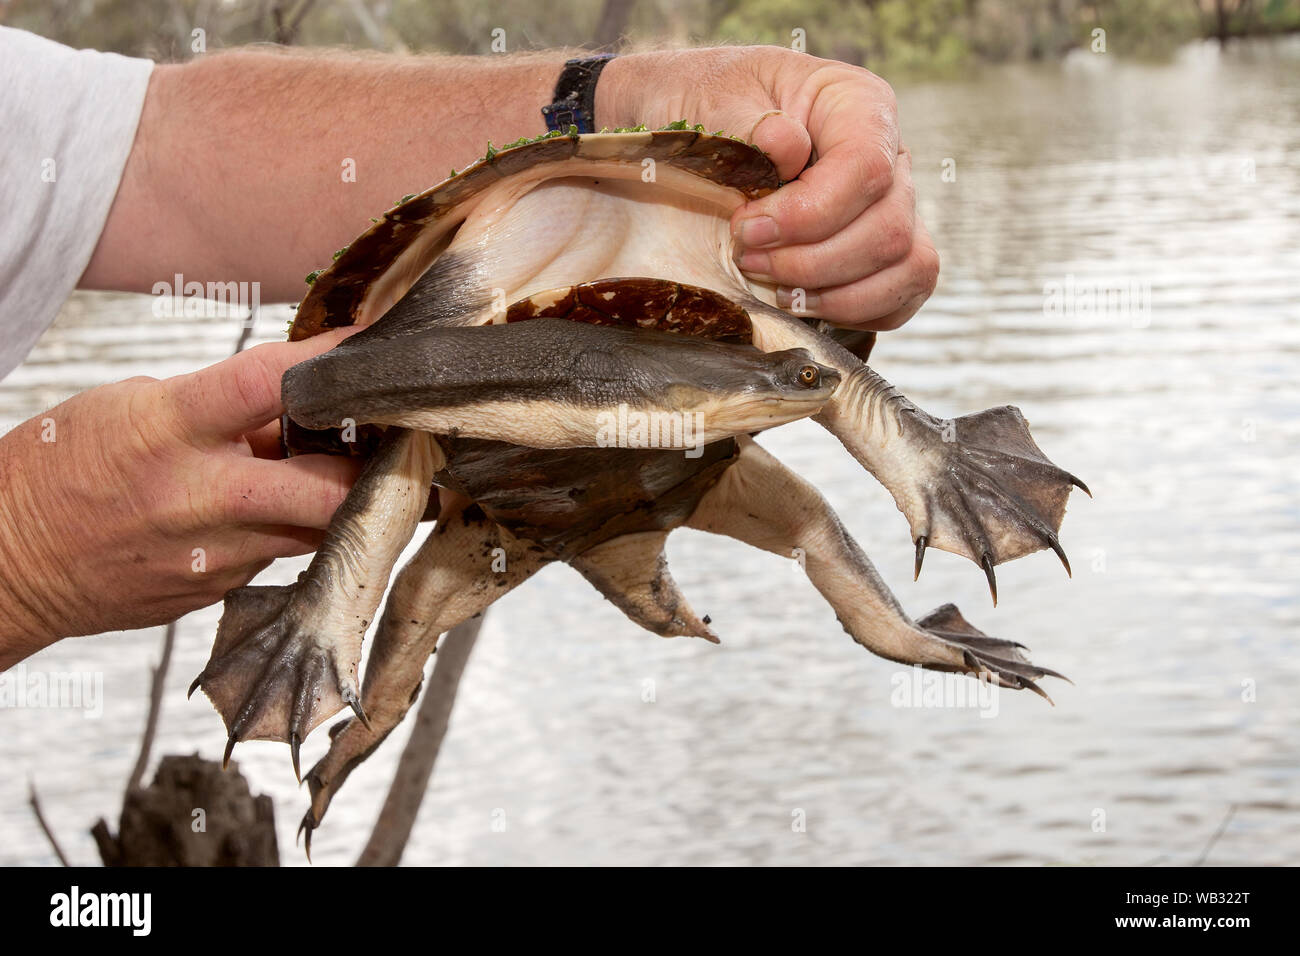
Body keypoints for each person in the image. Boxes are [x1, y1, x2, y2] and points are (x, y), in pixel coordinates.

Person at [0, 27, 938, 669]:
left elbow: (141, 144)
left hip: (607, 378)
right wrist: (20, 558)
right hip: (445, 416)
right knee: (387, 614)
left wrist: (603, 102)